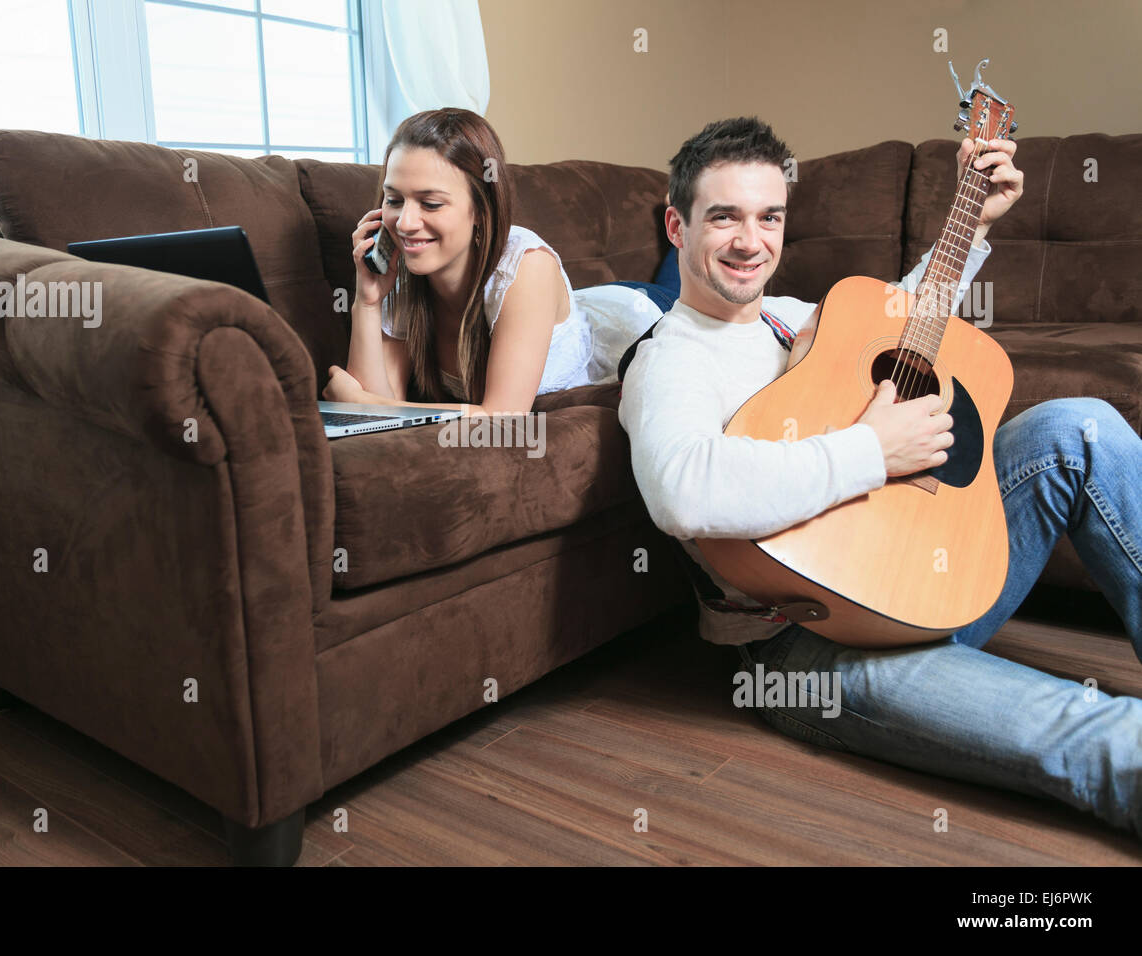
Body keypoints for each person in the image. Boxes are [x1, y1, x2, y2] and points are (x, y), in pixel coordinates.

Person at [619, 116, 1142, 837]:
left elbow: (904, 317)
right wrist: (871, 449)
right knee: (1110, 739)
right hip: (812, 645)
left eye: (769, 217)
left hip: (919, 574)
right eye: (724, 217)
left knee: (1079, 426)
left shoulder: (792, 318)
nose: (750, 241)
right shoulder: (670, 360)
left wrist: (973, 221)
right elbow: (683, 490)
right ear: (677, 226)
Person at [321, 107, 668, 414]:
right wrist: (367, 301)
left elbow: (503, 419)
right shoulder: (402, 270)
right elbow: (368, 419)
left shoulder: (525, 265)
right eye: (394, 200)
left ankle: (681, 212)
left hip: (639, 309)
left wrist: (368, 404)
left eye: (430, 204)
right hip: (575, 303)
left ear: (480, 210)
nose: (405, 223)